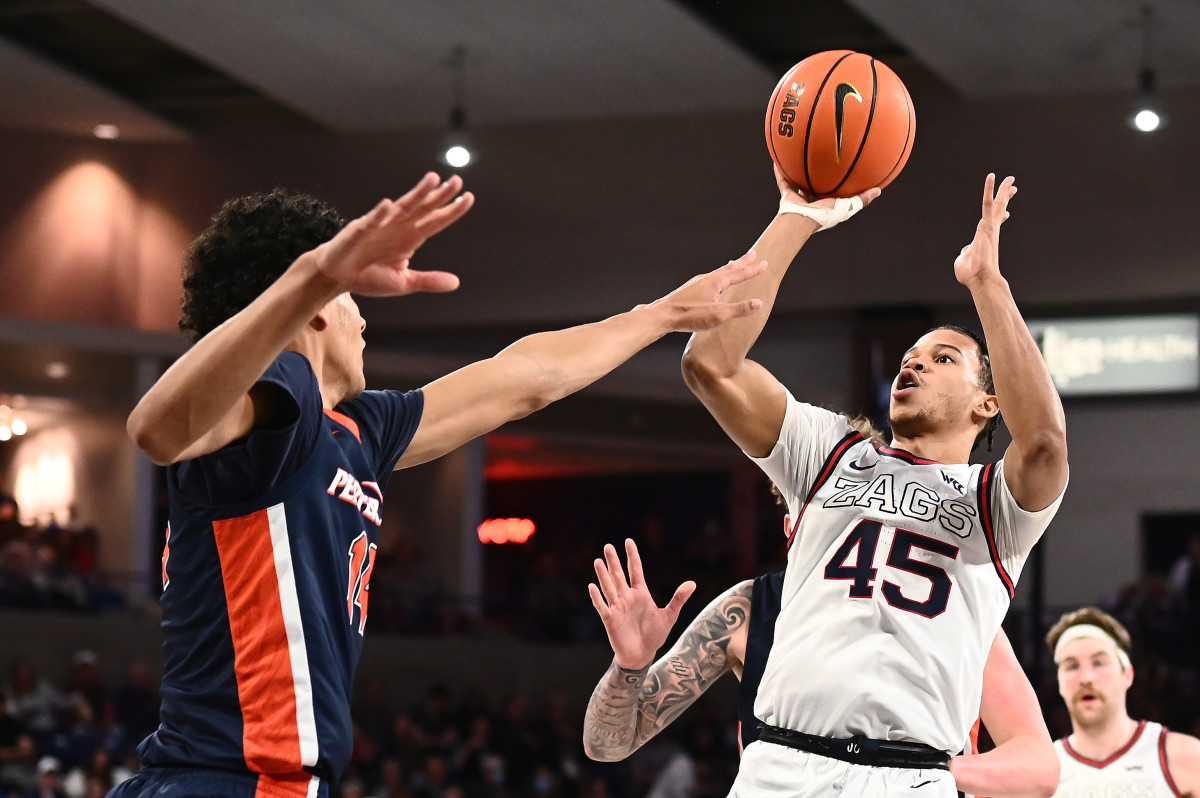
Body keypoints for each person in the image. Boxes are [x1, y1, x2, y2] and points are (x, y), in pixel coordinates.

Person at [113, 172, 769, 798]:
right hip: (222, 779)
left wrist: (660, 315)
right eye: (350, 299)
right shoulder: (277, 407)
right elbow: (155, 431)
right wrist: (317, 276)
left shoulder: (358, 429)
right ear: (312, 312)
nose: (363, 321)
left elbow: (527, 378)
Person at [677, 169, 1069, 796]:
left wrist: (987, 284)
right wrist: (797, 216)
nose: (914, 363)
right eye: (911, 356)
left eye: (943, 359)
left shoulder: (996, 505)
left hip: (910, 775)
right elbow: (710, 365)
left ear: (987, 404)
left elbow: (1045, 440)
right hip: (783, 765)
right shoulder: (829, 453)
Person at [581, 536, 1059, 798]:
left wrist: (917, 775)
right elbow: (607, 745)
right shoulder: (750, 608)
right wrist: (630, 666)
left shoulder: (952, 607)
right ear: (795, 522)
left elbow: (1038, 767)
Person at [1047, 606, 1200, 797]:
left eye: (1099, 663)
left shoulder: (1184, 756)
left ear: (1127, 674)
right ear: (1059, 681)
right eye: (1072, 666)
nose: (1086, 678)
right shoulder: (1044, 773)